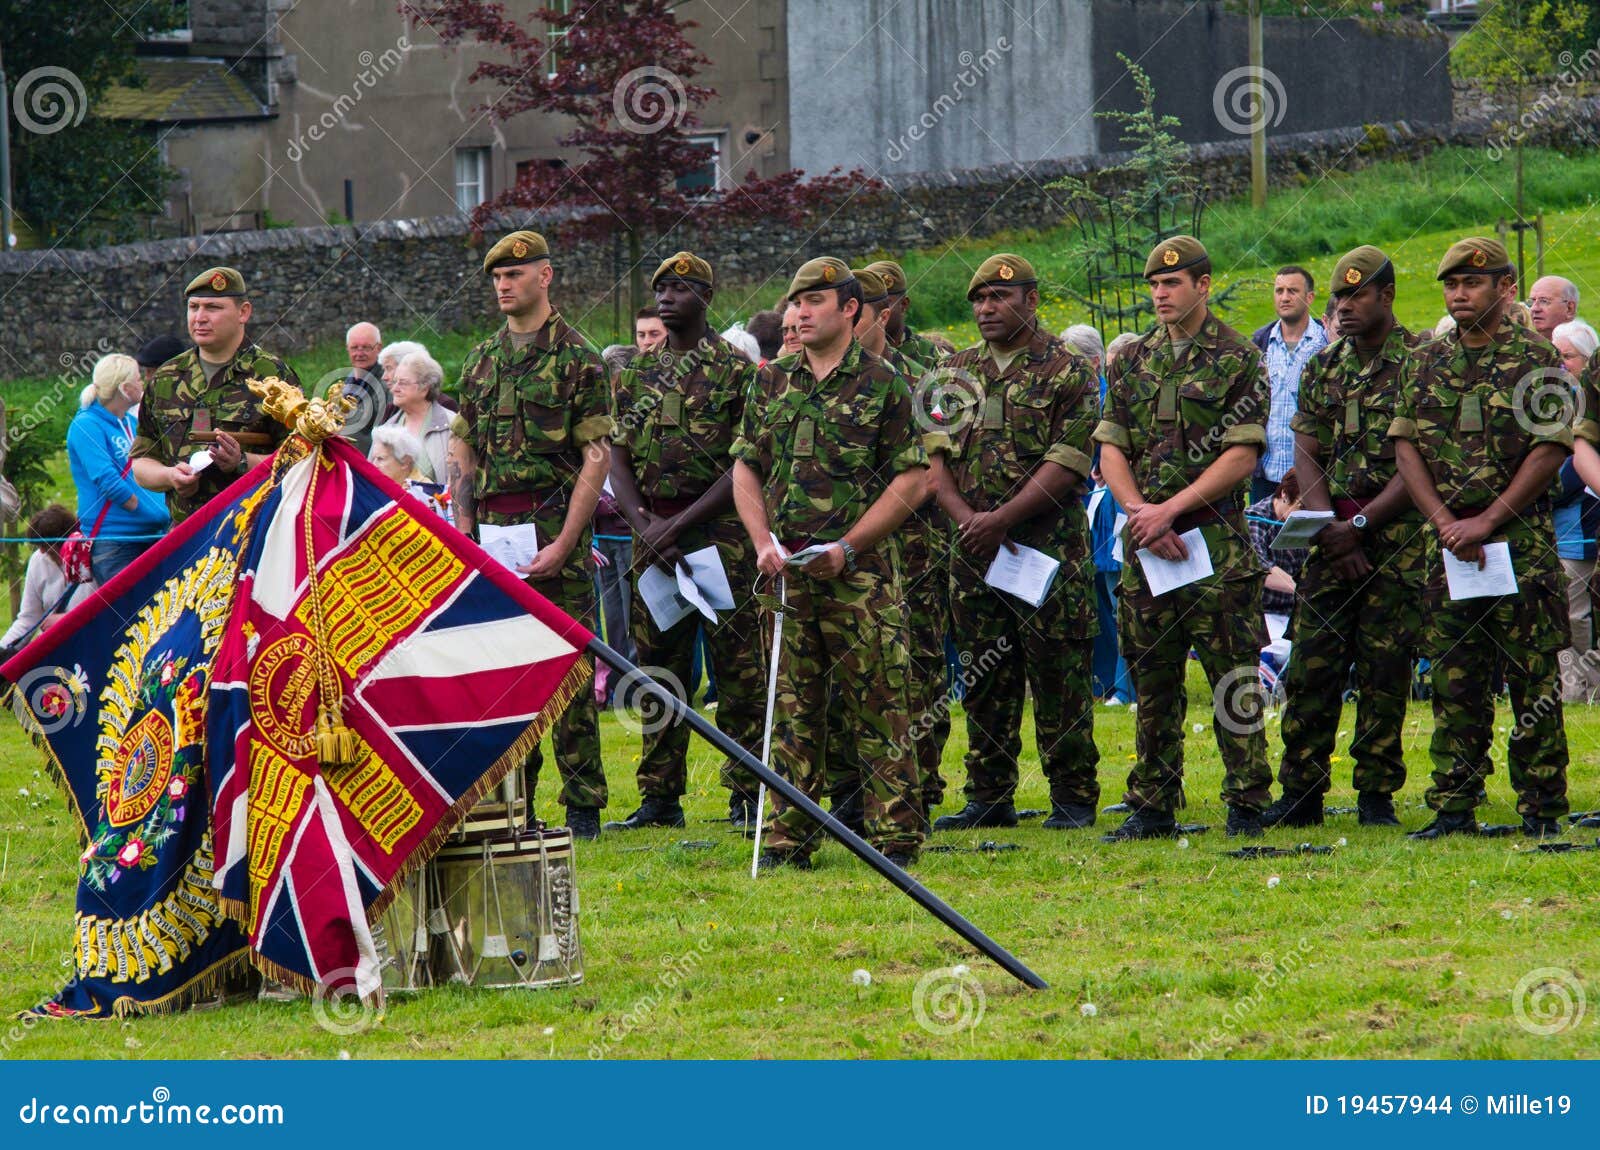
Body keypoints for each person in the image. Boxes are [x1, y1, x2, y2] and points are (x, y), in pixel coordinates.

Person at [731, 257, 929, 870]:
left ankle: (893, 836)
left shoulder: (885, 383)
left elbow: (913, 478)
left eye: (816, 300)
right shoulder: (769, 382)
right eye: (796, 301)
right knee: (790, 708)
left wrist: (850, 547)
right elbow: (746, 467)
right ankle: (789, 836)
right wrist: (762, 541)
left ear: (850, 309)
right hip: (785, 575)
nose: (801, 311)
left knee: (880, 700)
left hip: (861, 576)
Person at [1390, 237, 1579, 839]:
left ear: (1505, 286)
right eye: (1450, 285)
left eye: (1472, 283)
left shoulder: (1536, 358)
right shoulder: (1426, 360)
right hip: (1449, 545)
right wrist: (1446, 521)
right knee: (1453, 676)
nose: (1459, 294)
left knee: (1532, 680)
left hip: (1516, 544)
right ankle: (1453, 804)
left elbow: (1550, 449)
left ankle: (1543, 807)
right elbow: (1405, 446)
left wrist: (1487, 520)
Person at [1094, 235, 1273, 841]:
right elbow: (1111, 446)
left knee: (1232, 678)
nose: (1161, 294)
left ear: (1202, 284)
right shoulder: (1132, 359)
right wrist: (1141, 512)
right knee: (1153, 677)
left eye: (1172, 283)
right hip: (1148, 550)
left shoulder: (1238, 357)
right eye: (1153, 285)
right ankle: (1152, 802)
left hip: (1213, 546)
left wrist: (1170, 510)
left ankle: (1247, 801)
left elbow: (1243, 454)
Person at [932, 254, 1101, 831]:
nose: (986, 309)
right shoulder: (951, 372)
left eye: (999, 298)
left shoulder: (1069, 371)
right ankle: (989, 796)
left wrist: (1000, 518)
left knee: (1060, 675)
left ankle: (1073, 798)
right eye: (978, 300)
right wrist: (966, 520)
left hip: (1047, 553)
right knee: (983, 677)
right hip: (974, 553)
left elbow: (1068, 463)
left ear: (1031, 299)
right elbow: (932, 458)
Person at [1263, 246, 1428, 829]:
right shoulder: (1325, 366)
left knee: (1384, 669)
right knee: (1312, 666)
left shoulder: (1423, 362)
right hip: (1331, 539)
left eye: (1357, 295)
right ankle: (1301, 791)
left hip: (1394, 539)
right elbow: (1305, 450)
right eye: (1338, 297)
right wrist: (1331, 524)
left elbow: (1422, 464)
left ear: (1387, 295)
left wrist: (1360, 528)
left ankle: (1376, 795)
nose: (1345, 306)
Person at [456, 230, 613, 840]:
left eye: (515, 275)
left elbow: (595, 456)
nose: (503, 284)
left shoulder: (579, 357)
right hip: (494, 529)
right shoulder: (480, 358)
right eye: (497, 276)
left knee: (570, 672)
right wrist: (465, 530)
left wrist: (568, 540)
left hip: (553, 522)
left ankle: (583, 806)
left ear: (545, 277)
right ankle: (513, 801)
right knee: (504, 672)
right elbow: (463, 444)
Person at [606, 251, 766, 830]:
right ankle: (659, 798)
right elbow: (615, 456)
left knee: (739, 670)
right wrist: (646, 523)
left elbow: (746, 463)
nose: (668, 297)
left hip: (720, 537)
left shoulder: (738, 372)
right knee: (659, 670)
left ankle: (748, 793)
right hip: (653, 537)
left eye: (681, 288)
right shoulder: (636, 374)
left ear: (706, 297)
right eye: (661, 289)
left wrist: (679, 523)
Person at [128, 267, 300, 524]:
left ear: (243, 312)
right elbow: (141, 461)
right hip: (186, 537)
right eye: (194, 307)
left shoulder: (272, 376)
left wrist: (243, 462)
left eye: (213, 307)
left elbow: (302, 460)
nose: (200, 317)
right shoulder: (167, 377)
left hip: (251, 538)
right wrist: (170, 476)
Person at [66, 354, 170, 585]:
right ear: (124, 388)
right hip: (116, 540)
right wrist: (141, 507)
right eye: (137, 379)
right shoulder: (86, 425)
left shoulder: (132, 423)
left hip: (151, 534)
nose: (143, 383)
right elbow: (105, 477)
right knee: (131, 614)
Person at [1551, 320, 1600, 703]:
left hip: (1582, 521)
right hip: (1559, 524)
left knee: (1580, 611)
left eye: (1568, 356)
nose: (1561, 364)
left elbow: (1567, 471)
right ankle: (1573, 690)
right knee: (1568, 611)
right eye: (1556, 356)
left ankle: (1590, 688)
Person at [1250, 266, 1328, 504]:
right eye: (1279, 290)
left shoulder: (1325, 342)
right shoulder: (1259, 344)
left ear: (1310, 297)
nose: (1284, 297)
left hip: (1312, 473)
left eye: (1293, 291)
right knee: (1263, 538)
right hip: (1265, 475)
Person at [0, 506, 91, 656]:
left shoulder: (91, 556)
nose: (42, 551)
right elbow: (29, 619)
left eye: (45, 545)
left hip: (89, 646)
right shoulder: (38, 560)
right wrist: (3, 649)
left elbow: (105, 610)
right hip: (53, 652)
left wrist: (67, 620)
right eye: (38, 546)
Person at [1244, 469, 1306, 638]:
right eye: (1302, 505)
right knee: (1282, 652)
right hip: (1266, 611)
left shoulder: (1306, 521)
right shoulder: (1254, 519)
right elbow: (1262, 570)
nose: (1305, 513)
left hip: (1295, 609)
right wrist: (1302, 592)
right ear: (1284, 494)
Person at [377, 350, 452, 482]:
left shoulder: (452, 425)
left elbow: (464, 484)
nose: (394, 389)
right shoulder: (388, 427)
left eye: (403, 383)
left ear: (425, 388)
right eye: (394, 382)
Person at [866, 259, 945, 371]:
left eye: (885, 303)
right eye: (868, 304)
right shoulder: (849, 357)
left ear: (903, 304)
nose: (875, 310)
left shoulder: (933, 358)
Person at [1527, 276, 1579, 343]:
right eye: (1531, 301)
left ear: (1569, 309)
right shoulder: (1520, 346)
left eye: (1544, 301)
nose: (1534, 308)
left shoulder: (1583, 350)